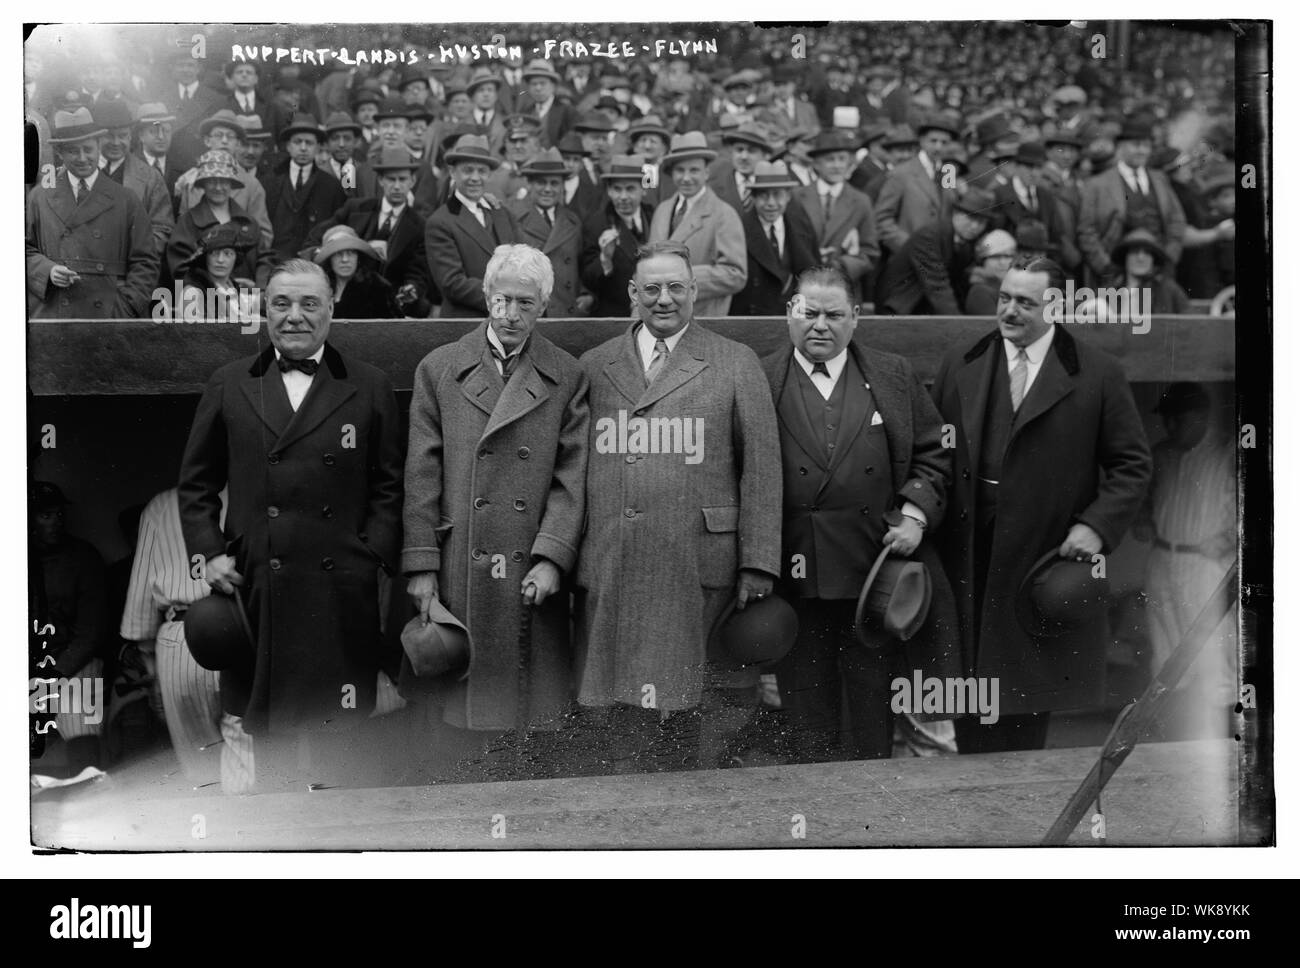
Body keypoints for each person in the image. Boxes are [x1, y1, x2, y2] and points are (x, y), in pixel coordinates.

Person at [177, 259, 404, 792]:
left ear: (331, 309)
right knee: (271, 741)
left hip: (340, 590)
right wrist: (210, 552)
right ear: (264, 309)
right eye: (281, 303)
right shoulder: (230, 383)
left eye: (309, 304)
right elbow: (195, 484)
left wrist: (368, 557)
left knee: (343, 742)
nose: (295, 317)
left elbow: (390, 487)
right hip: (262, 587)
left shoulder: (369, 385)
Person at [930, 255, 1152, 753]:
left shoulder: (1097, 373)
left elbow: (1131, 465)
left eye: (1025, 302)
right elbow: (935, 451)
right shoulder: (961, 360)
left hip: (1041, 557)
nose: (1009, 310)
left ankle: (1020, 818)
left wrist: (1096, 527)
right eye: (1004, 298)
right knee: (971, 697)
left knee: (1027, 704)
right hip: (969, 555)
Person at [575, 240, 781, 771]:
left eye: (675, 288)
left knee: (695, 709)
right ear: (632, 294)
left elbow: (760, 469)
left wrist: (758, 561)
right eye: (651, 289)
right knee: (623, 715)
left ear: (694, 291)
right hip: (617, 556)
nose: (663, 300)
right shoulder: (596, 366)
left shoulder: (735, 362)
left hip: (698, 560)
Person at [401, 243, 589, 780]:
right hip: (462, 562)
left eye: (525, 304)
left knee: (527, 724)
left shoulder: (566, 375)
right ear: (485, 298)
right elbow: (421, 476)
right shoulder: (440, 369)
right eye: (502, 300)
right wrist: (421, 565)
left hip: (528, 569)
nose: (511, 315)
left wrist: (552, 557)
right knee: (458, 724)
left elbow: (571, 478)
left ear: (544, 307)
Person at [760, 266, 959, 761]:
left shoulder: (892, 376)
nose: (820, 326)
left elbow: (936, 452)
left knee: (871, 711)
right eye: (809, 313)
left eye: (833, 315)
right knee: (805, 714)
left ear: (856, 318)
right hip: (794, 577)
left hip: (873, 579)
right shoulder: (759, 378)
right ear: (790, 315)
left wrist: (914, 516)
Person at [1134, 383, 1236, 718]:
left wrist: (1229, 541)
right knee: (1164, 645)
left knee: (1211, 648)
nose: (1172, 426)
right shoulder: (1161, 452)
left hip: (1206, 562)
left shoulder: (1227, 451)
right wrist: (1144, 518)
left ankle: (1222, 729)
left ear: (1202, 415)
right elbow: (1143, 497)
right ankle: (1172, 724)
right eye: (1168, 419)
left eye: (1180, 418)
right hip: (1163, 556)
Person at [119, 486, 227, 784]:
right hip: (241, 630)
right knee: (250, 761)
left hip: (180, 639)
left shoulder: (162, 505)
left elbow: (141, 600)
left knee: (201, 767)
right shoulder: (255, 491)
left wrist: (151, 668)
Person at [26, 107, 157, 319]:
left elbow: (146, 262)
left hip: (108, 316)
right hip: (54, 314)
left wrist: (125, 309)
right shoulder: (39, 197)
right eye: (72, 151)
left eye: (88, 149)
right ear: (60, 154)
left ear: (99, 148)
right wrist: (47, 270)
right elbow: (22, 251)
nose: (82, 158)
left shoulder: (126, 199)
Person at [31, 481, 108, 777]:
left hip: (72, 661)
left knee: (80, 727)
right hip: (31, 666)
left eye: (59, 514)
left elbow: (91, 633)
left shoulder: (82, 556)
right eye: (45, 516)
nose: (55, 522)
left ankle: (92, 796)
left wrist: (51, 677)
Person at [308, 147, 433, 318]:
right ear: (381, 180)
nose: (397, 186)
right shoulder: (355, 209)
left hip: (391, 306)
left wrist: (412, 287)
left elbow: (418, 271)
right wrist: (326, 252)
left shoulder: (420, 225)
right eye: (391, 179)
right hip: (346, 303)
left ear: (412, 181)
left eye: (402, 180)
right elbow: (314, 239)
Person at [1078, 116, 1187, 286]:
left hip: (1158, 273)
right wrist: (1106, 268)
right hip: (1113, 276)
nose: (1142, 151)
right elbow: (1087, 231)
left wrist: (1168, 259)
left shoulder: (1160, 180)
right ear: (1120, 147)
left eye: (1146, 146)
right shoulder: (1097, 184)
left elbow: (1177, 221)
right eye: (1136, 145)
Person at [648, 131, 747, 316]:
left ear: (706, 173)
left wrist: (679, 279)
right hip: (658, 318)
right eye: (680, 170)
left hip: (702, 318)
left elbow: (735, 275)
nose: (686, 178)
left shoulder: (723, 214)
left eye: (694, 170)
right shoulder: (662, 210)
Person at [425, 134, 523, 318]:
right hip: (465, 323)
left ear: (490, 174)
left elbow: (523, 260)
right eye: (468, 170)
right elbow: (453, 283)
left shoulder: (502, 213)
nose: (475, 178)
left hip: (509, 321)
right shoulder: (440, 221)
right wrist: (506, 300)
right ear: (453, 173)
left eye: (482, 171)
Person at [793, 129, 881, 300]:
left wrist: (838, 265)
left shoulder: (861, 201)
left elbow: (870, 252)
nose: (837, 165)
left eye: (842, 159)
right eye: (830, 159)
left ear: (849, 164)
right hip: (805, 287)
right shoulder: (797, 197)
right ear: (816, 164)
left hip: (843, 289)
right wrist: (812, 261)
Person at [875, 188, 994, 315]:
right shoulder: (929, 237)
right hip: (898, 308)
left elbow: (955, 282)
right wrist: (959, 325)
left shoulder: (966, 243)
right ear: (955, 213)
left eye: (981, 222)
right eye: (970, 218)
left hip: (924, 308)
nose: (975, 226)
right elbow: (938, 287)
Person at [166, 151, 271, 289]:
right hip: (203, 300)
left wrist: (259, 288)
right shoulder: (188, 222)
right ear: (203, 184)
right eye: (212, 181)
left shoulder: (247, 222)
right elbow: (179, 266)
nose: (218, 187)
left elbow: (263, 258)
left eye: (224, 181)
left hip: (245, 300)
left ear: (232, 184)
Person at [173, 109, 273, 250]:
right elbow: (182, 230)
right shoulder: (191, 180)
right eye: (218, 135)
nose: (224, 141)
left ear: (238, 144)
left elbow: (264, 237)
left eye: (231, 137)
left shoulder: (252, 186)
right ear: (207, 140)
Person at [730, 160, 820, 316]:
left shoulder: (801, 226)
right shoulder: (738, 228)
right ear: (754, 198)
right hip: (752, 319)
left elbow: (813, 271)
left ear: (788, 196)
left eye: (777, 195)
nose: (771, 203)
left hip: (793, 316)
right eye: (764, 196)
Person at [87, 100, 173, 259]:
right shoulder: (80, 171)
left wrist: (132, 254)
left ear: (131, 136)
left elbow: (162, 229)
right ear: (97, 137)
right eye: (109, 136)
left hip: (133, 270)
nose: (116, 143)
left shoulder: (150, 177)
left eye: (123, 136)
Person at [509, 147, 590, 316]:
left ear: (562, 186)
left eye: (554, 183)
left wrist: (585, 294)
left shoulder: (573, 221)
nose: (548, 189)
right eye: (541, 182)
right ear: (529, 184)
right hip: (529, 313)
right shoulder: (512, 217)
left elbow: (580, 266)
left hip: (565, 313)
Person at [263, 114, 347, 263]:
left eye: (309, 143)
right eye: (297, 142)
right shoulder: (269, 182)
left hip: (314, 264)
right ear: (288, 146)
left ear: (318, 147)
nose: (303, 148)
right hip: (274, 262)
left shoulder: (332, 187)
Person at [580, 154, 654, 319]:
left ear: (643, 190)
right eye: (617, 189)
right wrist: (605, 259)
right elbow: (587, 278)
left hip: (653, 314)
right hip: (614, 317)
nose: (623, 197)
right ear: (608, 191)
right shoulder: (595, 224)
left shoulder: (654, 216)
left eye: (630, 189)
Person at [874, 113, 960, 253]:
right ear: (922, 141)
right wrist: (907, 245)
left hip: (939, 254)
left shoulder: (947, 171)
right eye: (933, 141)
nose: (938, 147)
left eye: (944, 143)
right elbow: (882, 218)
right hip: (908, 256)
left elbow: (948, 209)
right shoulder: (902, 173)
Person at [175, 217, 262, 324]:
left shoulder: (236, 290)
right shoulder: (193, 293)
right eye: (214, 253)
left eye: (227, 253)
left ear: (236, 257)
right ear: (205, 257)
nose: (220, 260)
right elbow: (192, 335)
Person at [312, 225, 398, 319]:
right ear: (329, 259)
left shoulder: (378, 286)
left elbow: (395, 327)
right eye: (338, 253)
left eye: (351, 253)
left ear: (358, 257)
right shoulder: (319, 287)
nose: (345, 259)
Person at [1111, 229, 1189, 314]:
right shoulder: (1111, 290)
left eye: (1147, 253)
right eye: (1135, 252)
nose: (1141, 258)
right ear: (1125, 258)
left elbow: (1190, 321)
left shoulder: (1168, 290)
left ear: (1153, 259)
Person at [708, 121, 775, 215]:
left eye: (751, 151)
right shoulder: (713, 188)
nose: (744, 157)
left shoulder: (775, 187)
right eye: (739, 150)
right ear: (732, 153)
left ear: (765, 156)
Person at [320, 112, 378, 200]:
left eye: (347, 138)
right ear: (327, 143)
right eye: (335, 138)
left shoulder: (365, 172)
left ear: (355, 142)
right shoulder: (318, 173)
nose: (341, 144)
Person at [521, 59, 577, 147]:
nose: (538, 88)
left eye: (542, 83)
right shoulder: (525, 112)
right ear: (528, 87)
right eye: (534, 84)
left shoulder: (567, 111)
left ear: (553, 86)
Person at [964, 228, 1018, 316]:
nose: (1002, 262)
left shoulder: (1010, 288)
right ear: (982, 261)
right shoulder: (979, 292)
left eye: (1008, 256)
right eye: (995, 257)